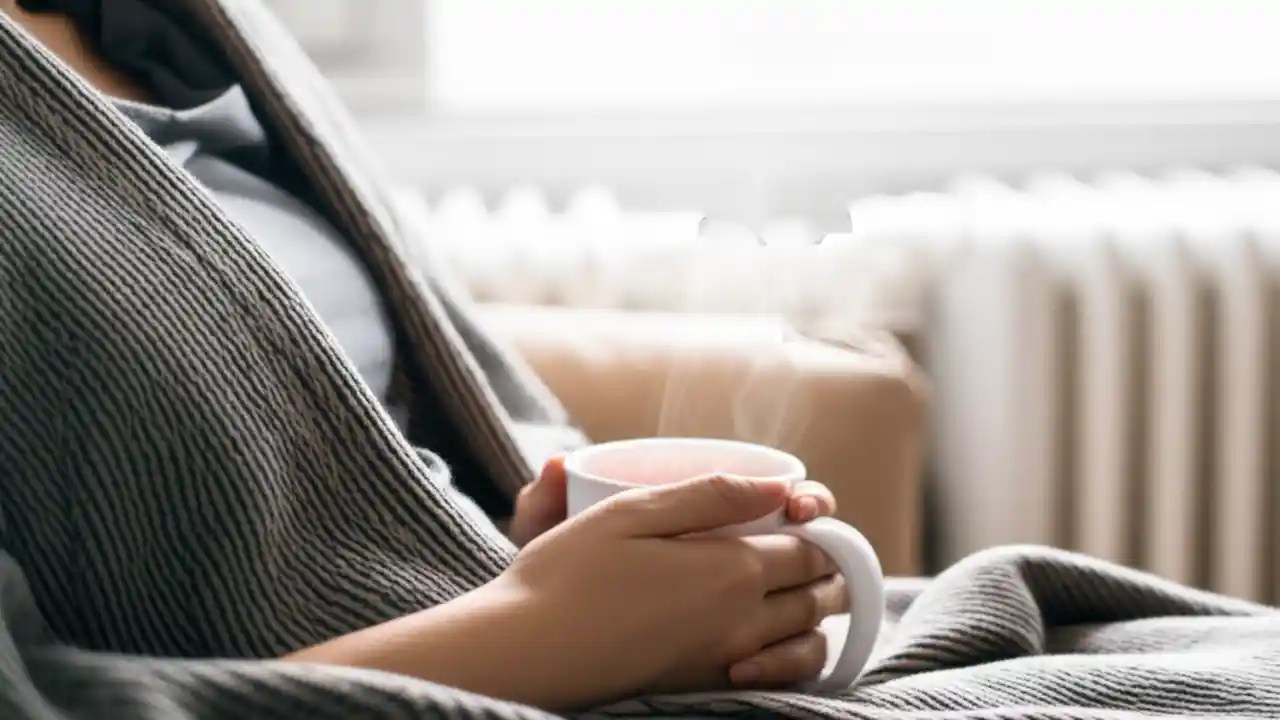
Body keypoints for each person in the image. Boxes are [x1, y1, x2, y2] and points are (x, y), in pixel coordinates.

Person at [0, 0, 852, 713]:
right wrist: (541, 630)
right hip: (488, 670)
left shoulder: (183, 20)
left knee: (990, 591)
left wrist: (544, 550)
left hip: (509, 610)